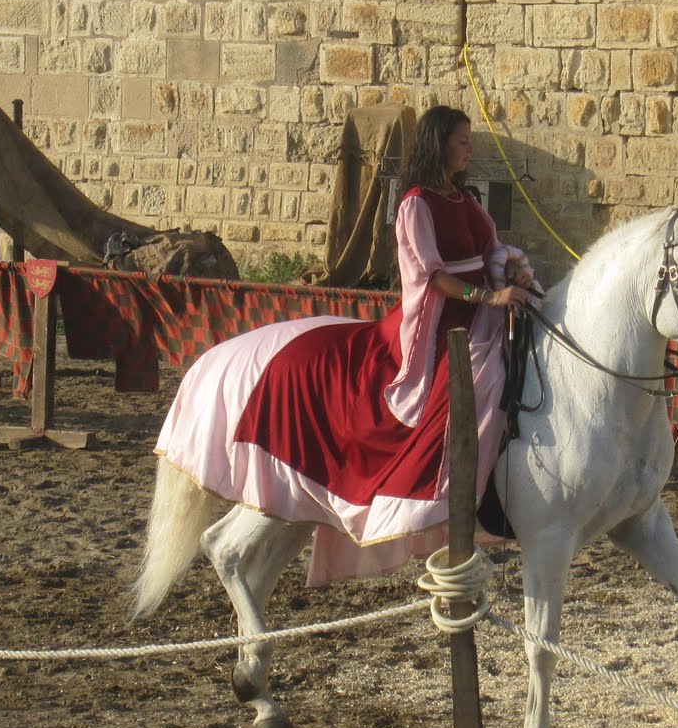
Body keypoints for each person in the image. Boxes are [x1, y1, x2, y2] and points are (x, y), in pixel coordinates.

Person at [155, 105, 540, 583]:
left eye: (469, 140)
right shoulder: (416, 204)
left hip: (483, 316)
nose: (470, 148)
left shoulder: (467, 200)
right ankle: (452, 504)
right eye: (462, 140)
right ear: (440, 144)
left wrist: (510, 268)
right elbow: (432, 276)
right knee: (483, 386)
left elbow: (488, 251)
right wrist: (490, 293)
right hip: (442, 328)